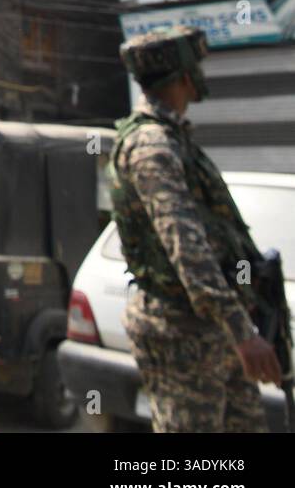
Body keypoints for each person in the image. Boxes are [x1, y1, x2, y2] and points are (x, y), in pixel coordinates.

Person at [110, 25, 282, 433]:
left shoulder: (175, 139)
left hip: (212, 326)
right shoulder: (153, 146)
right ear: (184, 77)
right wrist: (244, 333)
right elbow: (186, 249)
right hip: (181, 330)